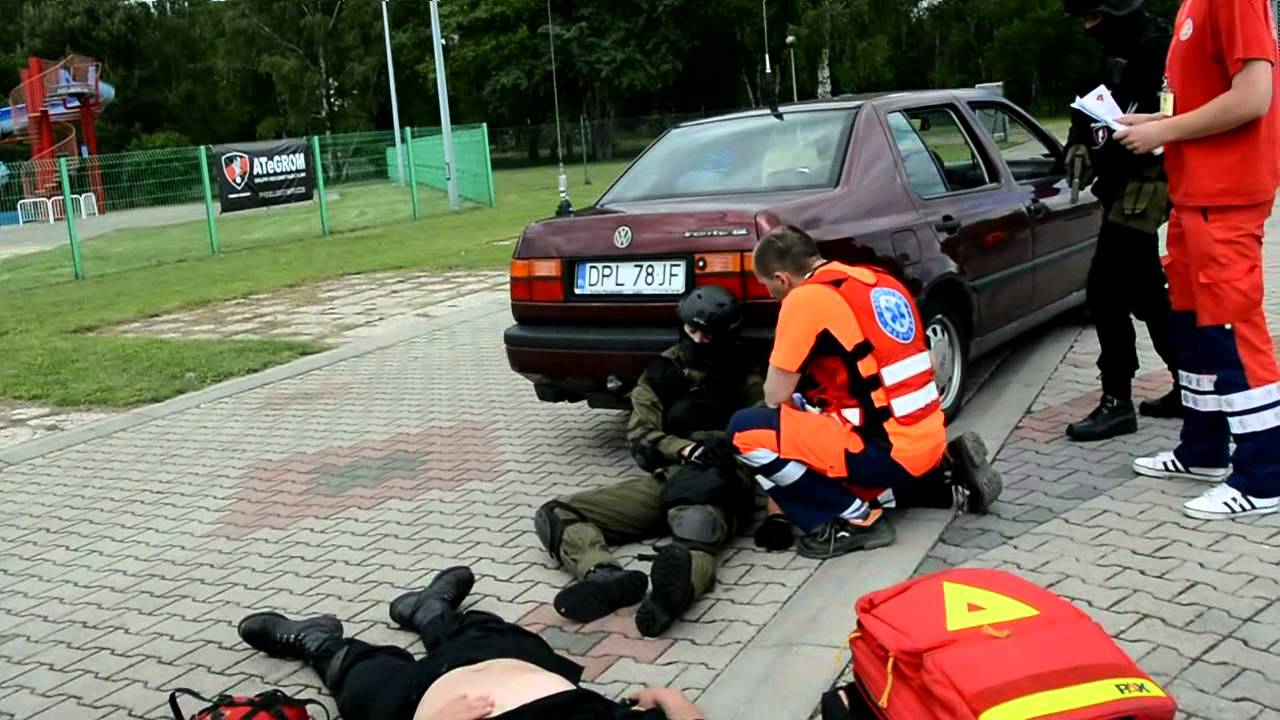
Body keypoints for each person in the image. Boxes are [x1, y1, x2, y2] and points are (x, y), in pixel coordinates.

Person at [727, 225, 1002, 559]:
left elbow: (775, 395)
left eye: (767, 285)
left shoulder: (805, 299)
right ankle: (943, 481)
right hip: (925, 434)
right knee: (817, 415)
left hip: (885, 449)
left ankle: (857, 520)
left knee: (747, 430)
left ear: (782, 278)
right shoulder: (877, 281)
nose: (770, 294)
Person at [1115, 0, 1280, 519]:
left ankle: (1264, 475)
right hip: (1194, 196)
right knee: (1195, 327)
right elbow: (1204, 95)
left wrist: (1163, 132)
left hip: (1224, 195)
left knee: (1232, 328)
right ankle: (1203, 450)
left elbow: (1254, 96)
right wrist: (1158, 120)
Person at [533, 286, 761, 637]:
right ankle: (604, 575)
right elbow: (640, 436)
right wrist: (682, 449)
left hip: (723, 475)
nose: (698, 339)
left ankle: (672, 596)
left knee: (695, 525)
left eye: (708, 333)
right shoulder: (660, 373)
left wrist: (725, 448)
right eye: (691, 330)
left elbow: (768, 427)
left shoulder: (747, 373)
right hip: (669, 475)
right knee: (558, 513)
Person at [235, 566, 704, 720]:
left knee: (358, 677)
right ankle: (434, 614)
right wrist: (661, 695)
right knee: (482, 628)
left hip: (414, 705)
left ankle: (317, 641)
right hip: (508, 660)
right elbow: (683, 707)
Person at [1062, 0, 1181, 442]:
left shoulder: (1157, 48)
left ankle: (1117, 402)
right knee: (1147, 293)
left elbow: (1174, 115)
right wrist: (1077, 143)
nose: (1089, 27)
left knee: (1105, 291)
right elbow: (1089, 104)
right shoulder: (1113, 49)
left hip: (1147, 186)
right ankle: (1188, 384)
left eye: (1095, 17)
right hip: (1118, 185)